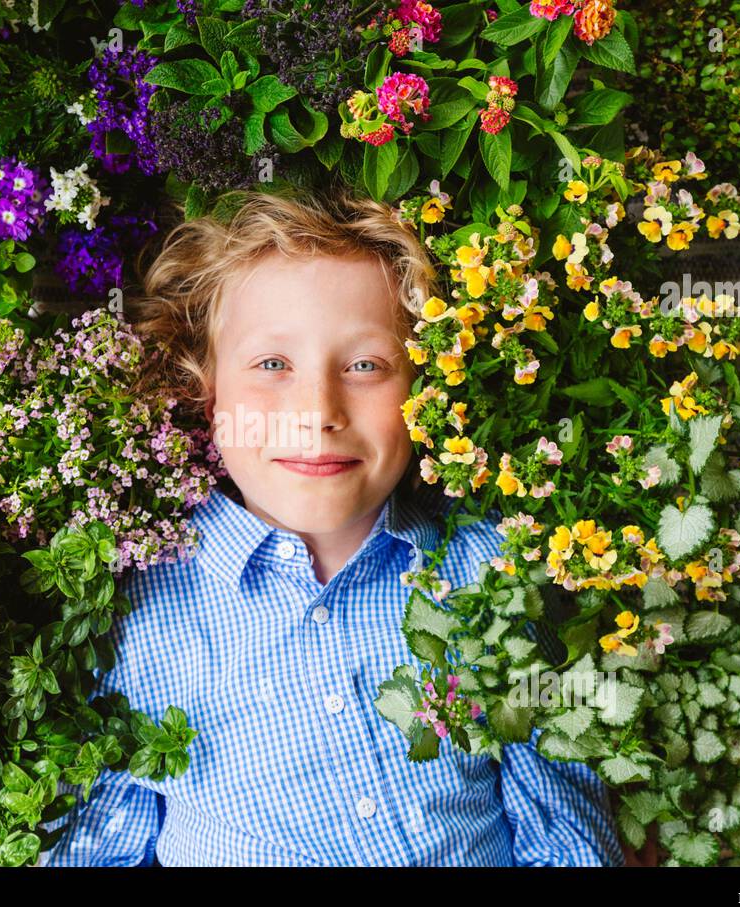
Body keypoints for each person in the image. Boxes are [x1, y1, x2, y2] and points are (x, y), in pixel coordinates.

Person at [39, 185, 626, 867]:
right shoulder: (136, 614)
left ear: (426, 389)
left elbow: (565, 831)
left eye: (365, 366)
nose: (318, 411)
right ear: (206, 390)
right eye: (271, 365)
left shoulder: (490, 567)